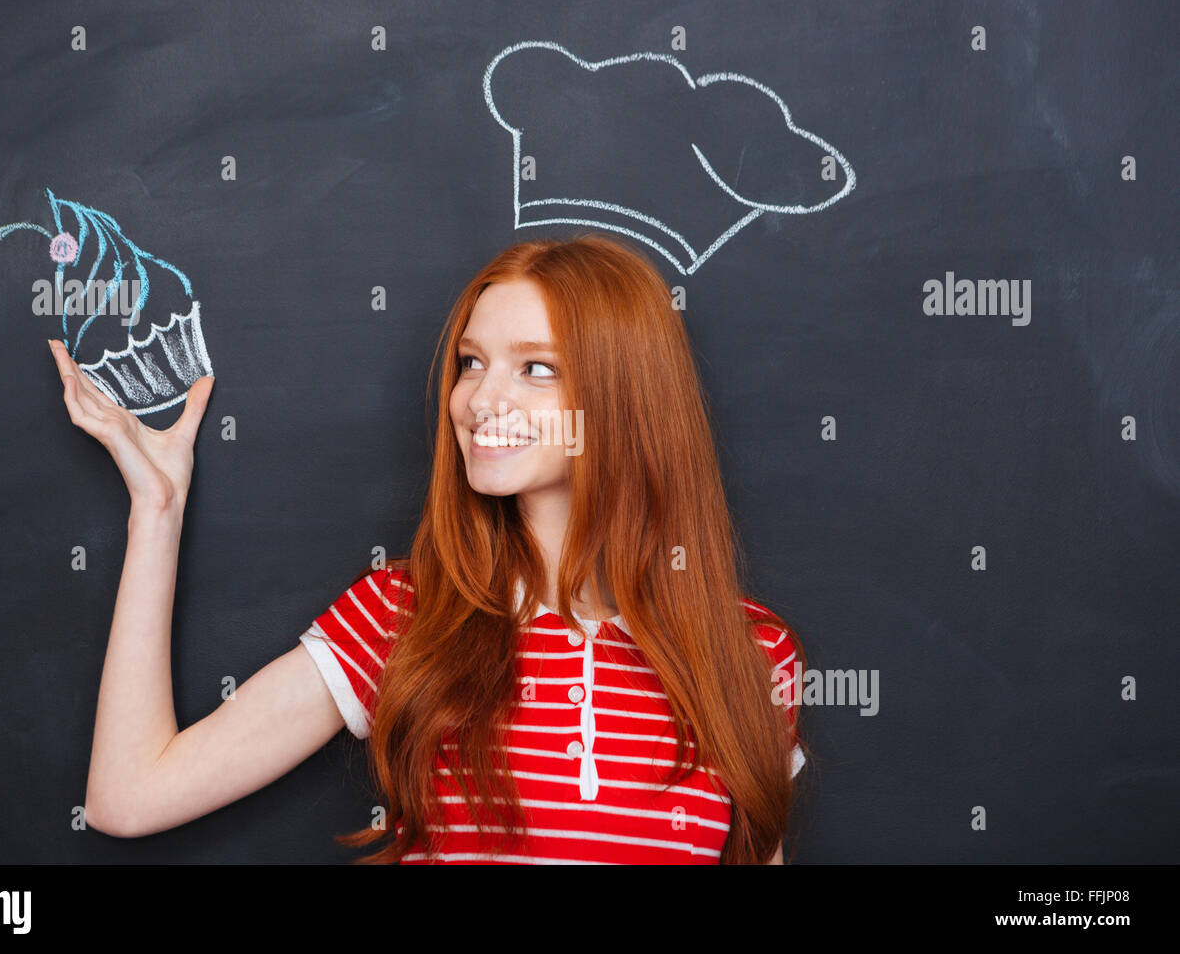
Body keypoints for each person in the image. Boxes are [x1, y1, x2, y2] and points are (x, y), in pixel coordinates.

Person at [55, 233, 808, 864]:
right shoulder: (407, 614)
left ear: (625, 398)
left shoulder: (752, 652)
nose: (482, 400)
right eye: (472, 362)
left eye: (534, 368)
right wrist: (157, 510)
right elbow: (129, 797)